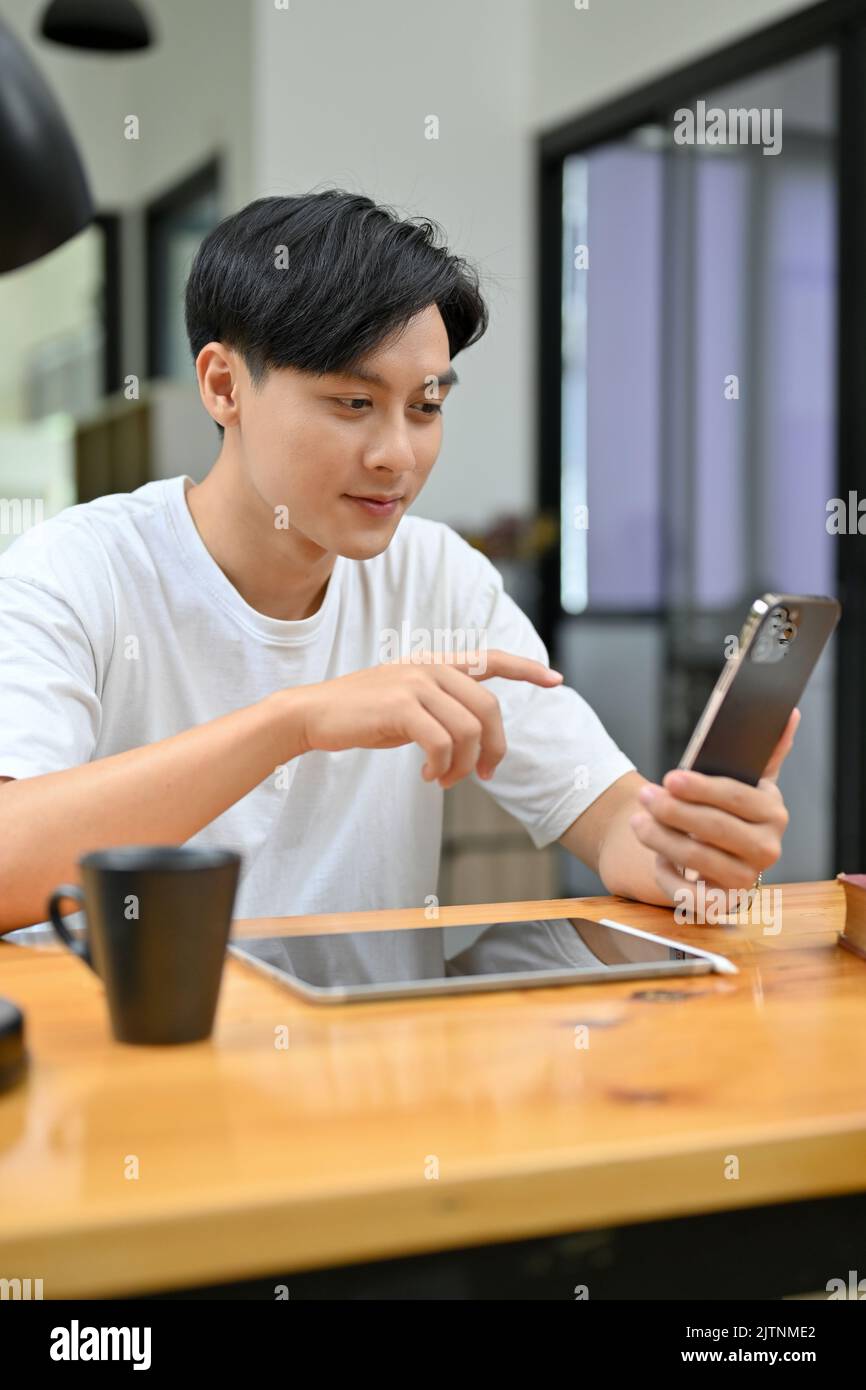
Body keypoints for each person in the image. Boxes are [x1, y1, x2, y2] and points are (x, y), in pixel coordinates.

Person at [0, 190, 795, 982]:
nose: (397, 455)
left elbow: (610, 819)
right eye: (353, 402)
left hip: (378, 1077)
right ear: (223, 385)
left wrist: (694, 853)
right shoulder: (76, 571)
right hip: (135, 1073)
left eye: (425, 407)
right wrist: (294, 721)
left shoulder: (438, 575)